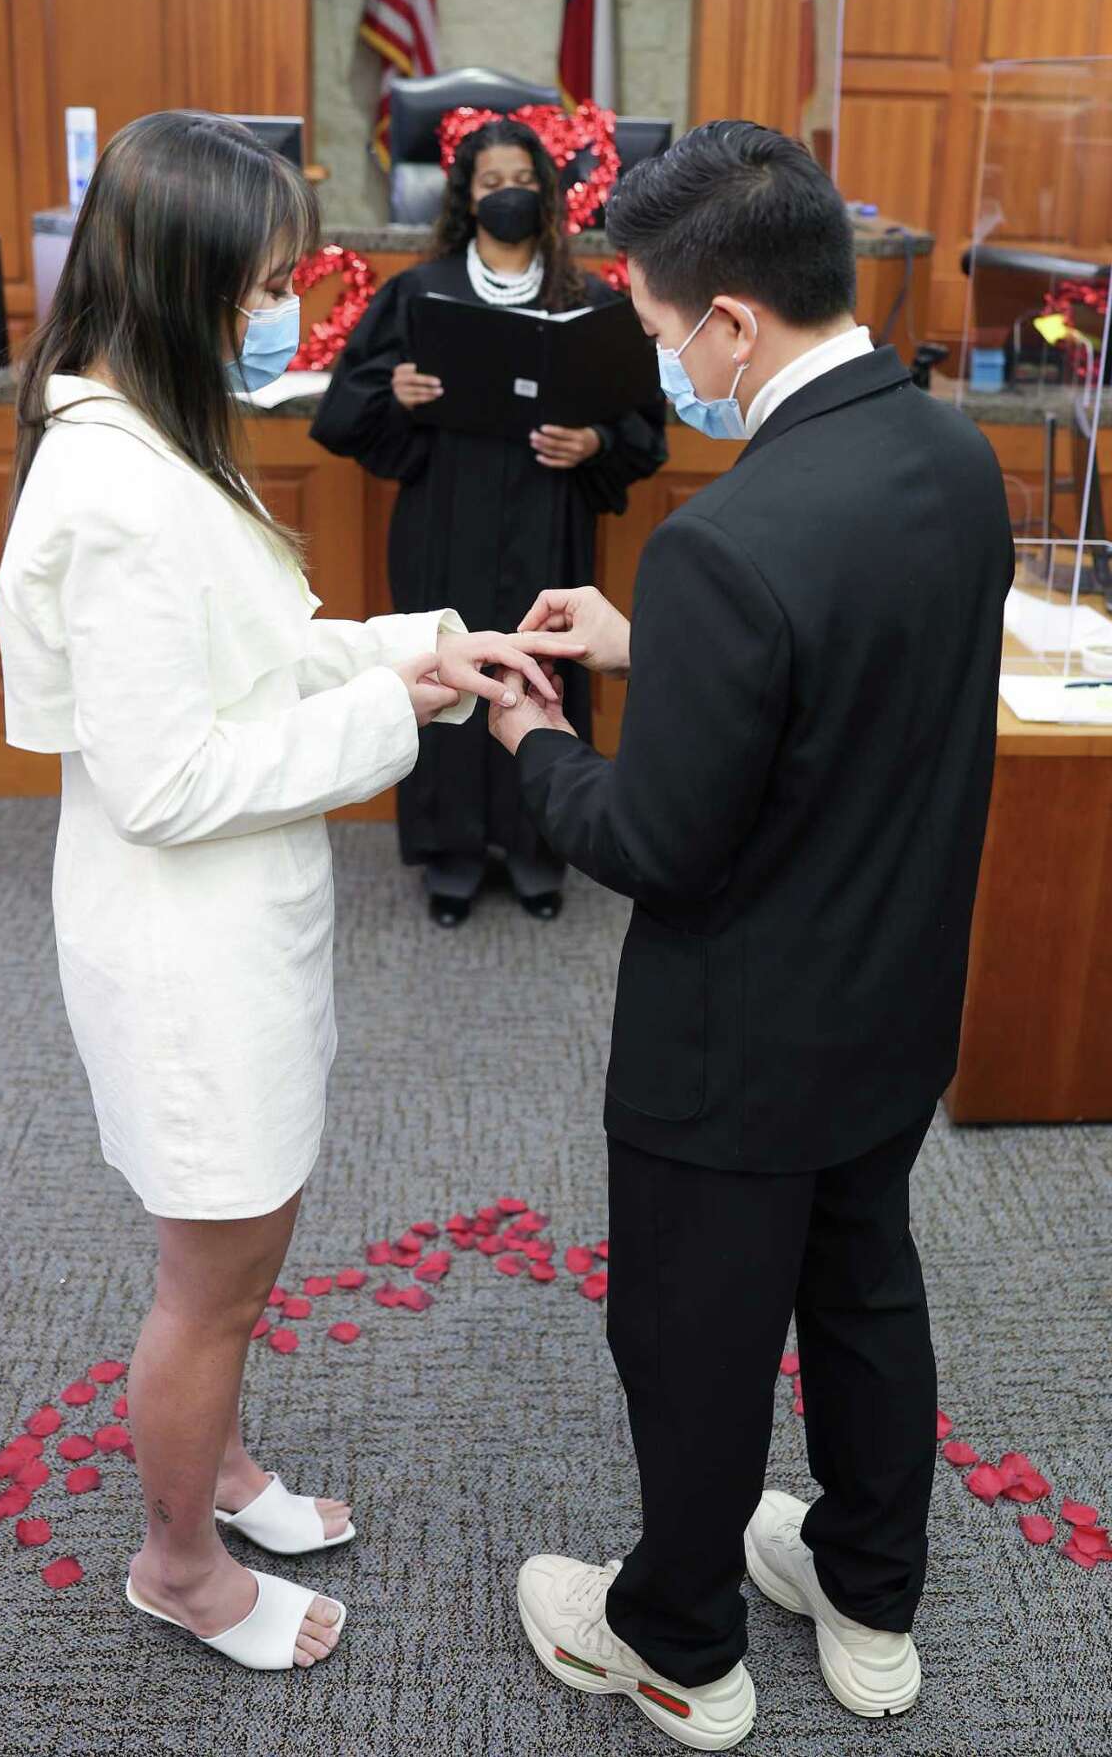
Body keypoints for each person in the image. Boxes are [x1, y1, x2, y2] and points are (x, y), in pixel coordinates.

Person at [0, 110, 565, 1677]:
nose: (285, 314)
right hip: (184, 940)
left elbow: (258, 653)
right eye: (260, 283)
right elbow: (170, 773)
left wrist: (419, 646)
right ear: (184, 283)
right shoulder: (112, 492)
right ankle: (176, 1559)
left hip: (236, 920)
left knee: (241, 1256)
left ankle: (222, 1472)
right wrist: (405, 712)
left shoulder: (156, 441)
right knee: (213, 1278)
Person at [490, 120, 1014, 1748]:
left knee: (694, 1339)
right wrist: (671, 647)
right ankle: (870, 1600)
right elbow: (858, 684)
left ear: (729, 321)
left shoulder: (733, 537)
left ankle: (680, 1645)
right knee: (865, 1292)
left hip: (733, 1049)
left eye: (654, 327)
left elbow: (653, 840)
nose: (663, 360)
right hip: (893, 1003)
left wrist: (536, 741)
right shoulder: (950, 456)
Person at [313, 116, 667, 927]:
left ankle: (544, 849)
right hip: (445, 520)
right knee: (445, 675)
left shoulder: (591, 302)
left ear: (547, 194)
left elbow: (643, 425)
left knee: (542, 672)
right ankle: (453, 854)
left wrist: (597, 440)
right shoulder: (420, 291)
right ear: (465, 199)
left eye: (522, 180)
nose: (508, 193)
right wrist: (394, 394)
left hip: (550, 521)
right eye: (490, 182)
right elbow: (346, 412)